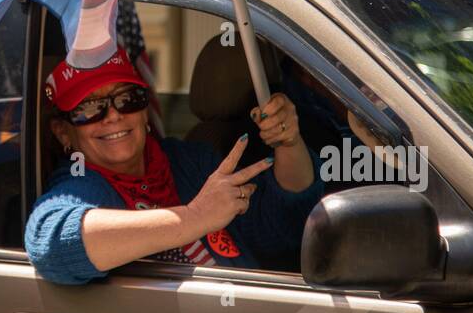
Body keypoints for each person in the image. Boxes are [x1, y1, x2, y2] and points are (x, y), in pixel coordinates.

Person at [25, 48, 324, 284]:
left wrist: (289, 143)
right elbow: (49, 245)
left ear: (144, 111)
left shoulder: (191, 161)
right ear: (63, 132)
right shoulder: (81, 182)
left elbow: (281, 229)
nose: (113, 116)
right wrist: (194, 217)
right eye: (89, 108)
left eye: (128, 99)